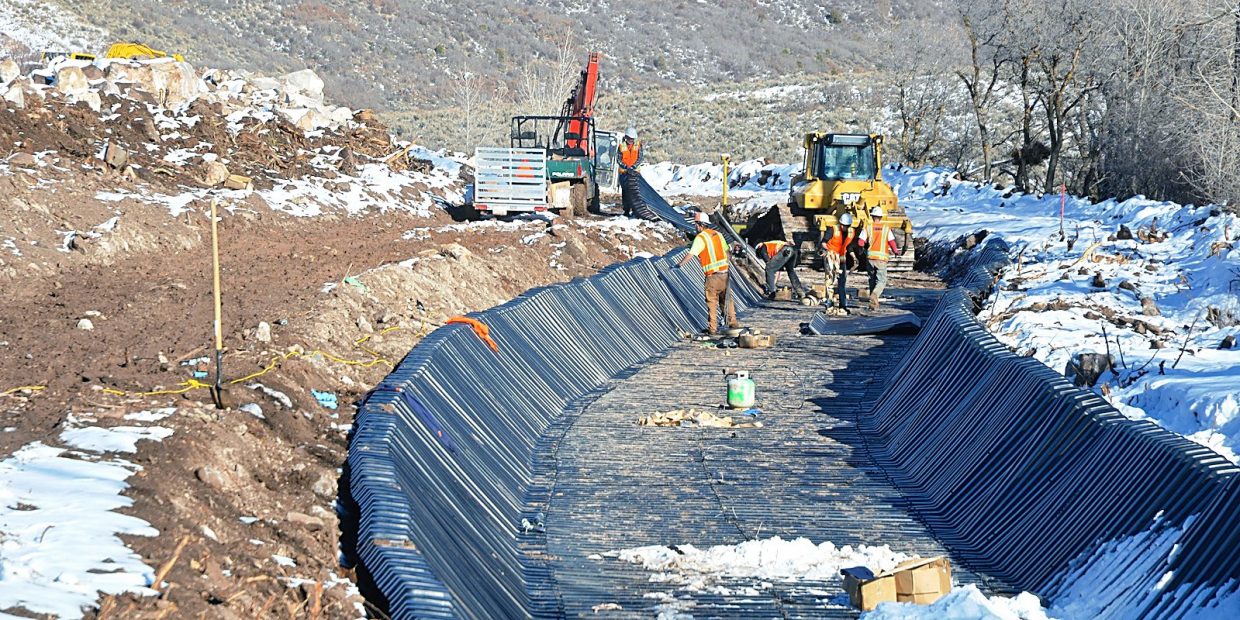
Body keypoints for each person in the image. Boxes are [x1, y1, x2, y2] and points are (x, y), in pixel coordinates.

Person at [676, 212, 739, 335]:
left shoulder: (701, 238)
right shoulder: (718, 234)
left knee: (712, 302)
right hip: (725, 273)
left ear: (700, 225)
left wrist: (679, 264)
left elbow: (691, 254)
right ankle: (733, 324)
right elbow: (727, 252)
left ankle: (713, 329)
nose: (695, 227)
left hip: (712, 276)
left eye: (696, 224)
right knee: (726, 300)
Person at [857, 206, 902, 310]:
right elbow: (891, 242)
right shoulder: (886, 228)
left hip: (870, 258)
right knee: (881, 281)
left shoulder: (868, 227)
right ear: (881, 217)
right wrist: (896, 251)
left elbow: (860, 242)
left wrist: (862, 250)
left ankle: (873, 304)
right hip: (881, 259)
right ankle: (875, 295)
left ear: (872, 216)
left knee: (872, 279)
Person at [819, 212, 856, 312]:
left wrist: (853, 256)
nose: (844, 228)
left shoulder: (851, 232)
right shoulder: (833, 229)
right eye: (843, 225)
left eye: (847, 226)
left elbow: (849, 246)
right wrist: (828, 252)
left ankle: (843, 306)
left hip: (842, 259)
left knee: (842, 283)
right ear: (840, 224)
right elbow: (823, 242)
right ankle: (829, 305)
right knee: (830, 282)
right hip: (831, 258)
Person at [618, 127, 644, 217]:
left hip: (634, 173)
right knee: (625, 192)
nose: (631, 141)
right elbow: (619, 159)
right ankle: (626, 210)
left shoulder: (638, 145)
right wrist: (626, 167)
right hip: (624, 173)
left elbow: (640, 158)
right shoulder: (621, 146)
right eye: (629, 139)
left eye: (632, 139)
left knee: (635, 192)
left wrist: (633, 167)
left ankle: (635, 209)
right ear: (626, 137)